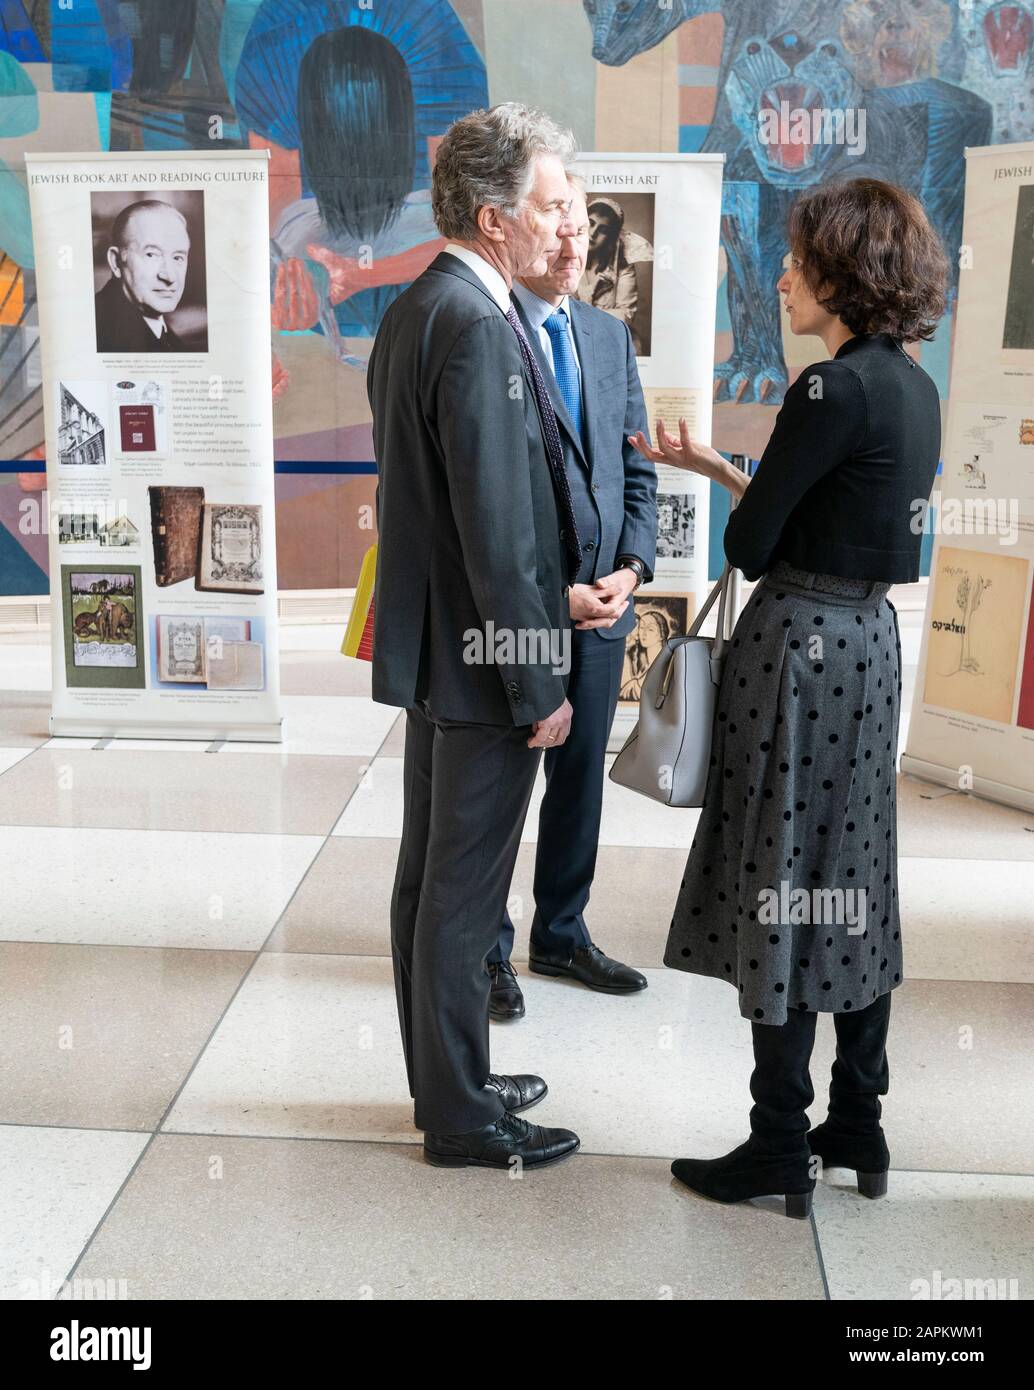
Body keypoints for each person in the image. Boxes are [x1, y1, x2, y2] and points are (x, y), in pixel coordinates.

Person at [631, 177, 947, 1217]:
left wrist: (732, 484)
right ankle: (856, 1117)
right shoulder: (909, 386)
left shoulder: (823, 389)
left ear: (838, 274)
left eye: (796, 259)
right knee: (851, 869)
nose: (778, 275)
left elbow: (753, 544)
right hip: (865, 643)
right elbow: (839, 520)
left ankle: (775, 1139)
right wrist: (730, 467)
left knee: (777, 867)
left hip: (796, 649)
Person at [368, 103, 584, 1171]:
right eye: (549, 207)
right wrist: (538, 677)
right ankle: (458, 1116)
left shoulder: (421, 306)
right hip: (486, 669)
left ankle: (446, 1079)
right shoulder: (475, 322)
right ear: (495, 219)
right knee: (460, 895)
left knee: (430, 884)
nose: (564, 226)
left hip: (442, 656)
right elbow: (495, 529)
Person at [487, 177, 656, 1019]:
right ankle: (486, 953)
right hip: (517, 610)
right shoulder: (488, 330)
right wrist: (554, 595)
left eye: (579, 236)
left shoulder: (606, 336)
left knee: (579, 776)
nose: (569, 248)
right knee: (499, 786)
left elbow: (636, 469)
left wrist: (631, 567)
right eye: (555, 229)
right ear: (517, 233)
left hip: (600, 607)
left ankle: (560, 933)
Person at [95, 199, 193, 353]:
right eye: (151, 255)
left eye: (177, 257)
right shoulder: (98, 334)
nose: (170, 277)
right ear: (116, 261)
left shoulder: (161, 332)